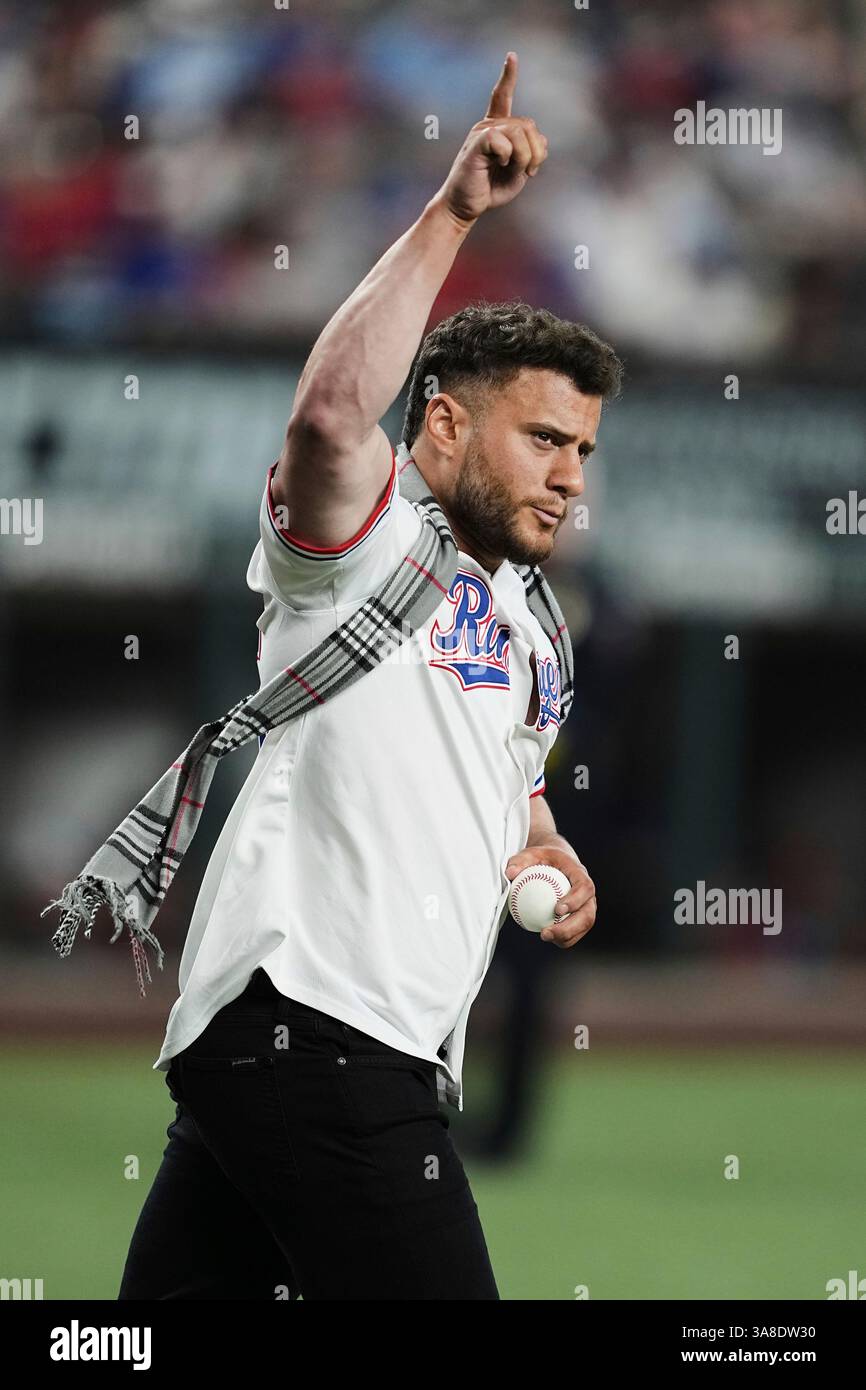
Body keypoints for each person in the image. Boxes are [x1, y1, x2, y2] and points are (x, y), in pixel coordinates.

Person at [117, 51, 620, 1301]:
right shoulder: (367, 540)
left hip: (315, 1052)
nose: (570, 474)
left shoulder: (531, 625)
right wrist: (453, 213)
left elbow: (503, 790)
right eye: (544, 438)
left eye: (583, 448)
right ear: (444, 423)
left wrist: (542, 849)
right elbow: (333, 421)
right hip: (321, 1031)